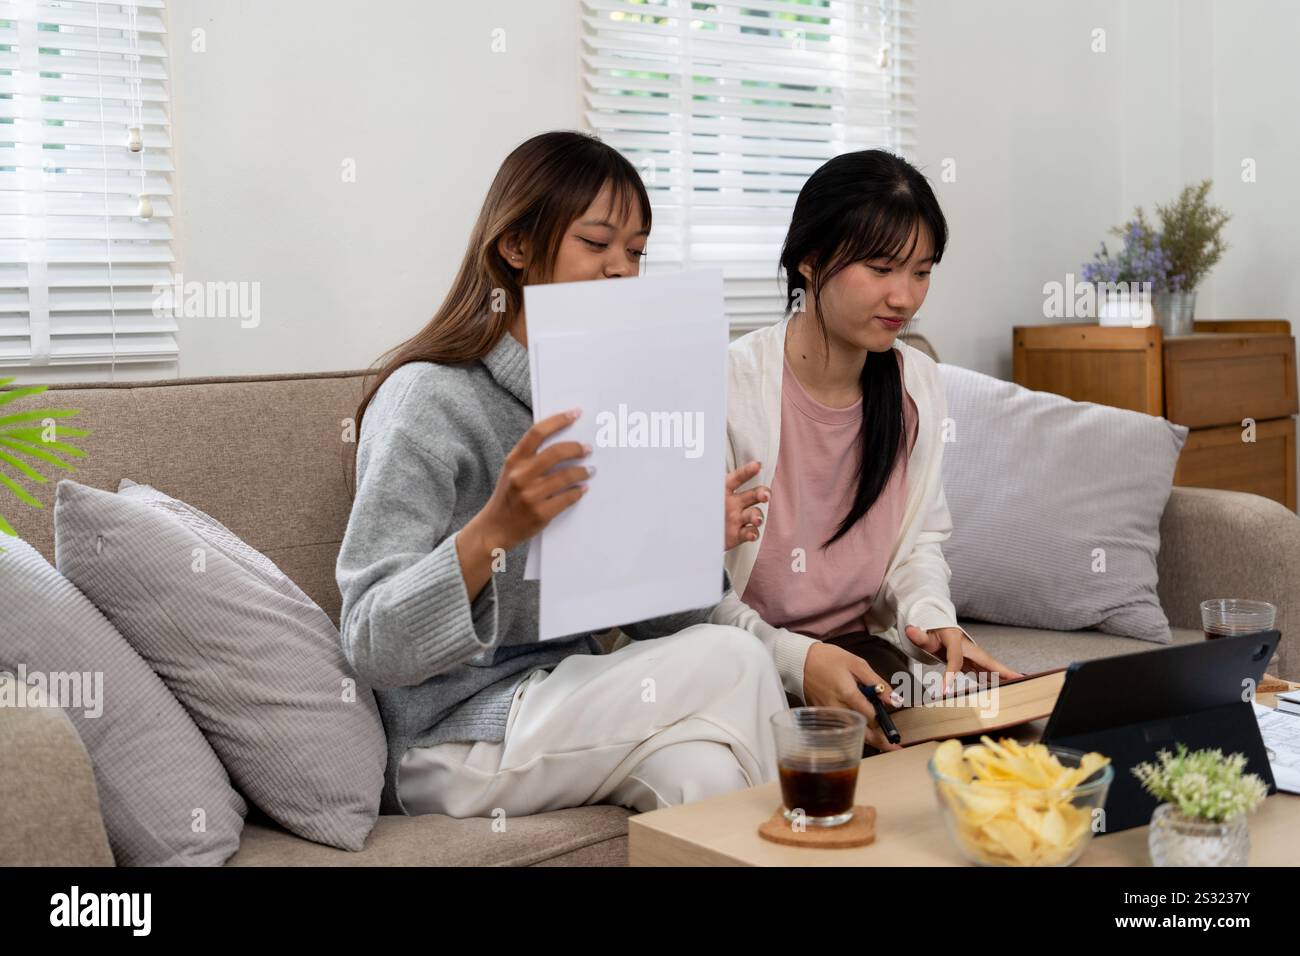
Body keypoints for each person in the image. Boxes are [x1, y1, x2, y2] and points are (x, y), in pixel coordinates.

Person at [336, 130, 787, 818]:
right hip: (448, 738)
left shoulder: (614, 397)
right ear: (516, 246)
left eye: (635, 252)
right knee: (736, 661)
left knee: (707, 776)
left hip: (570, 695)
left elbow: (653, 621)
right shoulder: (427, 399)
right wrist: (495, 529)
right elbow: (371, 641)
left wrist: (687, 541)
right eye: (597, 243)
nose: (620, 270)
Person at [716, 149, 1023, 751]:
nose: (904, 298)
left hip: (860, 657)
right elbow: (697, 598)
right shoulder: (727, 389)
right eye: (881, 269)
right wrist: (796, 658)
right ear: (810, 261)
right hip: (740, 654)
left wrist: (933, 618)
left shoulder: (916, 383)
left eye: (921, 271)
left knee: (995, 743)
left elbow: (917, 544)